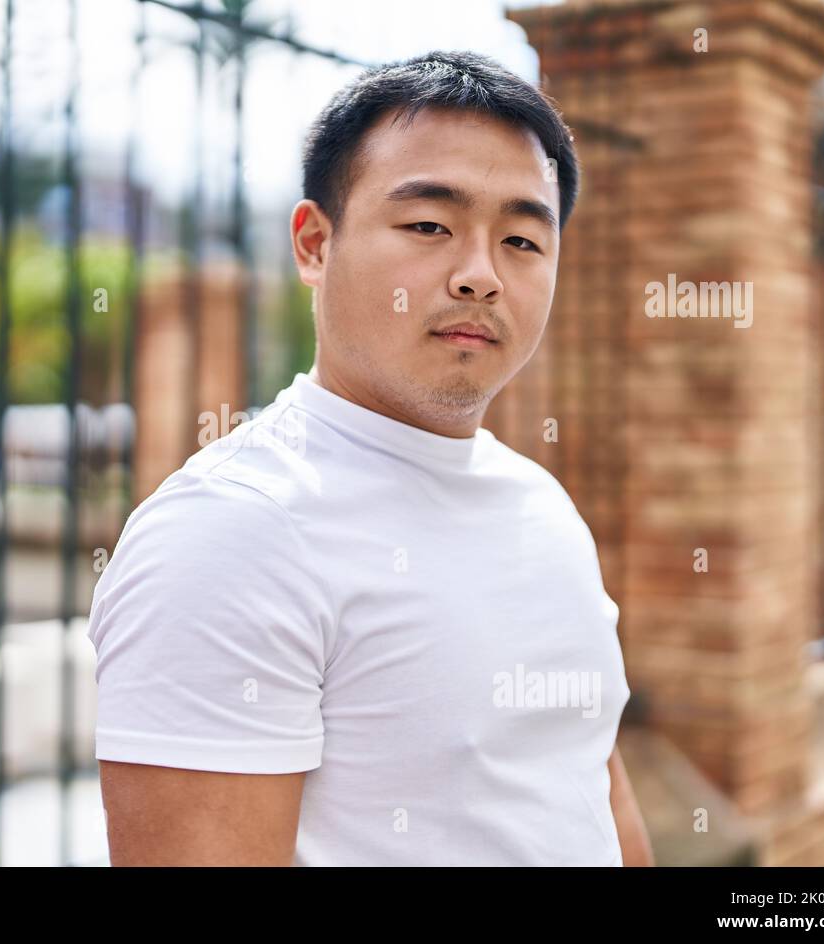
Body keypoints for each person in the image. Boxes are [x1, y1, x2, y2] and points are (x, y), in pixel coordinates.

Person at [87, 49, 654, 866]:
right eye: (429, 225)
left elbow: (589, 790)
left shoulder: (542, 506)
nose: (479, 276)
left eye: (524, 239)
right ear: (315, 244)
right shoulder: (230, 536)